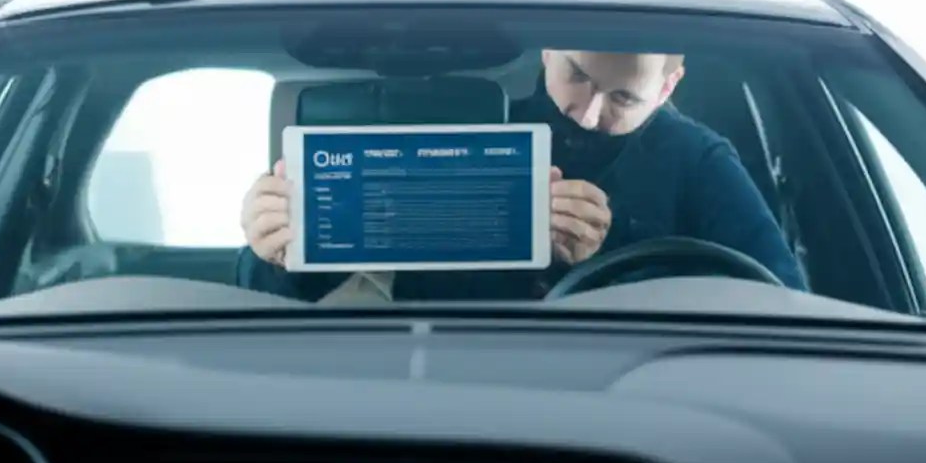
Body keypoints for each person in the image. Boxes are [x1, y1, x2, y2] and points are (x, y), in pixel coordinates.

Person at [235, 49, 807, 302]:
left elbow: (782, 302)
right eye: (578, 75)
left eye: (623, 98)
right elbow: (283, 303)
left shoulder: (700, 161)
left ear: (667, 87)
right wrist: (277, 251)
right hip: (452, 381)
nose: (586, 111)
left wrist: (612, 266)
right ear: (549, 51)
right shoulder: (472, 135)